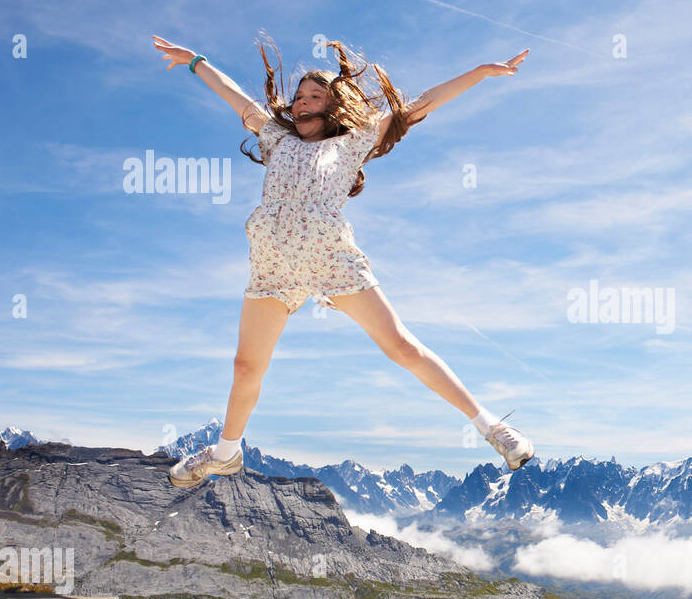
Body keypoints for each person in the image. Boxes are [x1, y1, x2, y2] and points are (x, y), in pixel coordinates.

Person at [151, 33, 534, 488]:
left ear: (333, 107)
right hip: (273, 264)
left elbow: (421, 103)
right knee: (245, 366)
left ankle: (493, 427)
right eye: (298, 96)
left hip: (331, 257)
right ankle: (226, 454)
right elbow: (235, 97)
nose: (303, 102)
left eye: (316, 96)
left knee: (402, 347)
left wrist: (479, 73)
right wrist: (196, 61)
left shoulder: (355, 140)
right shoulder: (275, 137)